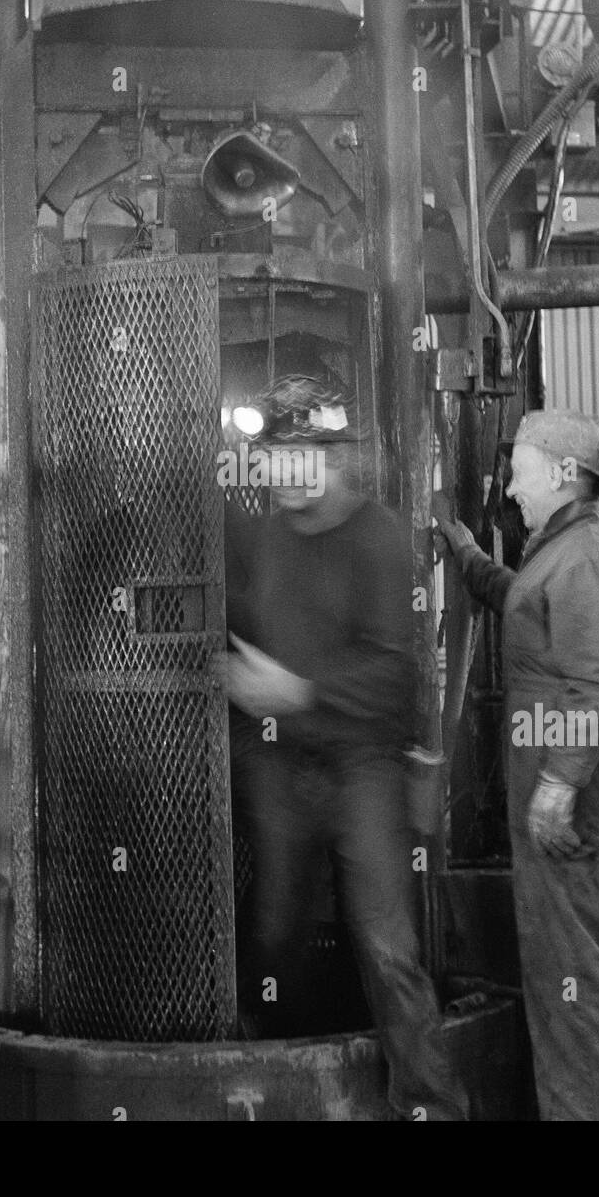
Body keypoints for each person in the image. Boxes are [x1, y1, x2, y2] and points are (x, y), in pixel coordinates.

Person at [223, 374, 467, 1121]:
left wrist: (295, 690)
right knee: (274, 929)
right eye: (269, 459)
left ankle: (431, 1103)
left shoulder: (378, 536)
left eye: (297, 458)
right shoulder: (260, 538)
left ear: (330, 459)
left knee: (388, 942)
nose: (279, 475)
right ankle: (281, 1090)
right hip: (278, 764)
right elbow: (234, 629)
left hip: (363, 765)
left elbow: (397, 674)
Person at [433, 409, 599, 1121]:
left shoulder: (587, 557)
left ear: (563, 473)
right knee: (598, 968)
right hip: (578, 802)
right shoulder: (557, 552)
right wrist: (469, 558)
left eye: (521, 470)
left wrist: (558, 785)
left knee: (570, 982)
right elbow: (524, 606)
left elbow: (598, 679)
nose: (512, 487)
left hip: (576, 810)